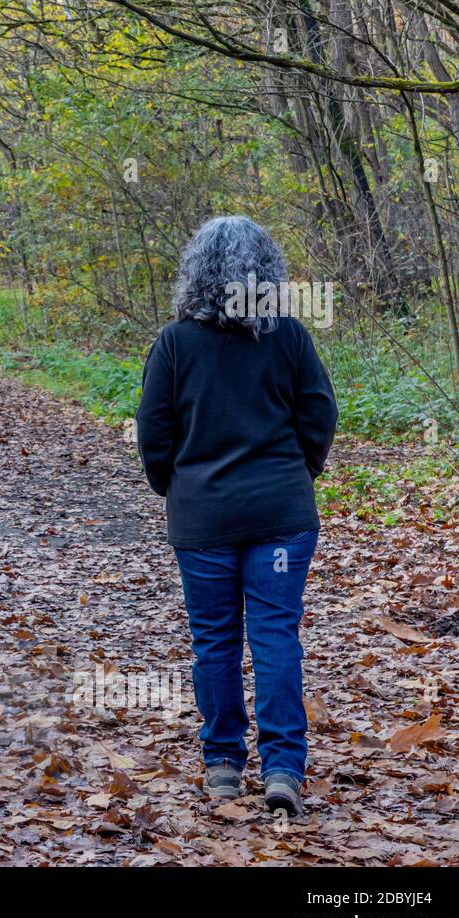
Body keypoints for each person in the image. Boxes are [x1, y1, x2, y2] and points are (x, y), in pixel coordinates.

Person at [136, 216, 338, 817]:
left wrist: (174, 486)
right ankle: (282, 768)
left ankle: (223, 765)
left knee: (215, 640)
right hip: (280, 513)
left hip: (204, 518)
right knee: (276, 635)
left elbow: (154, 431)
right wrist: (297, 474)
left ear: (196, 269)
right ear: (266, 270)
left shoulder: (176, 343)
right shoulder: (290, 337)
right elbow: (319, 416)